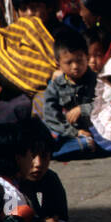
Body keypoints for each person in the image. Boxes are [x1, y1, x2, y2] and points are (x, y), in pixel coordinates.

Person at [43, 27, 98, 158]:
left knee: (110, 139)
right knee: (48, 138)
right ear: (58, 64)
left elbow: (106, 104)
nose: (75, 66)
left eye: (79, 60)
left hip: (96, 130)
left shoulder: (97, 80)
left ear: (87, 57)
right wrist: (74, 132)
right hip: (68, 132)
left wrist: (83, 109)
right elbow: (51, 117)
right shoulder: (55, 86)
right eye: (69, 62)